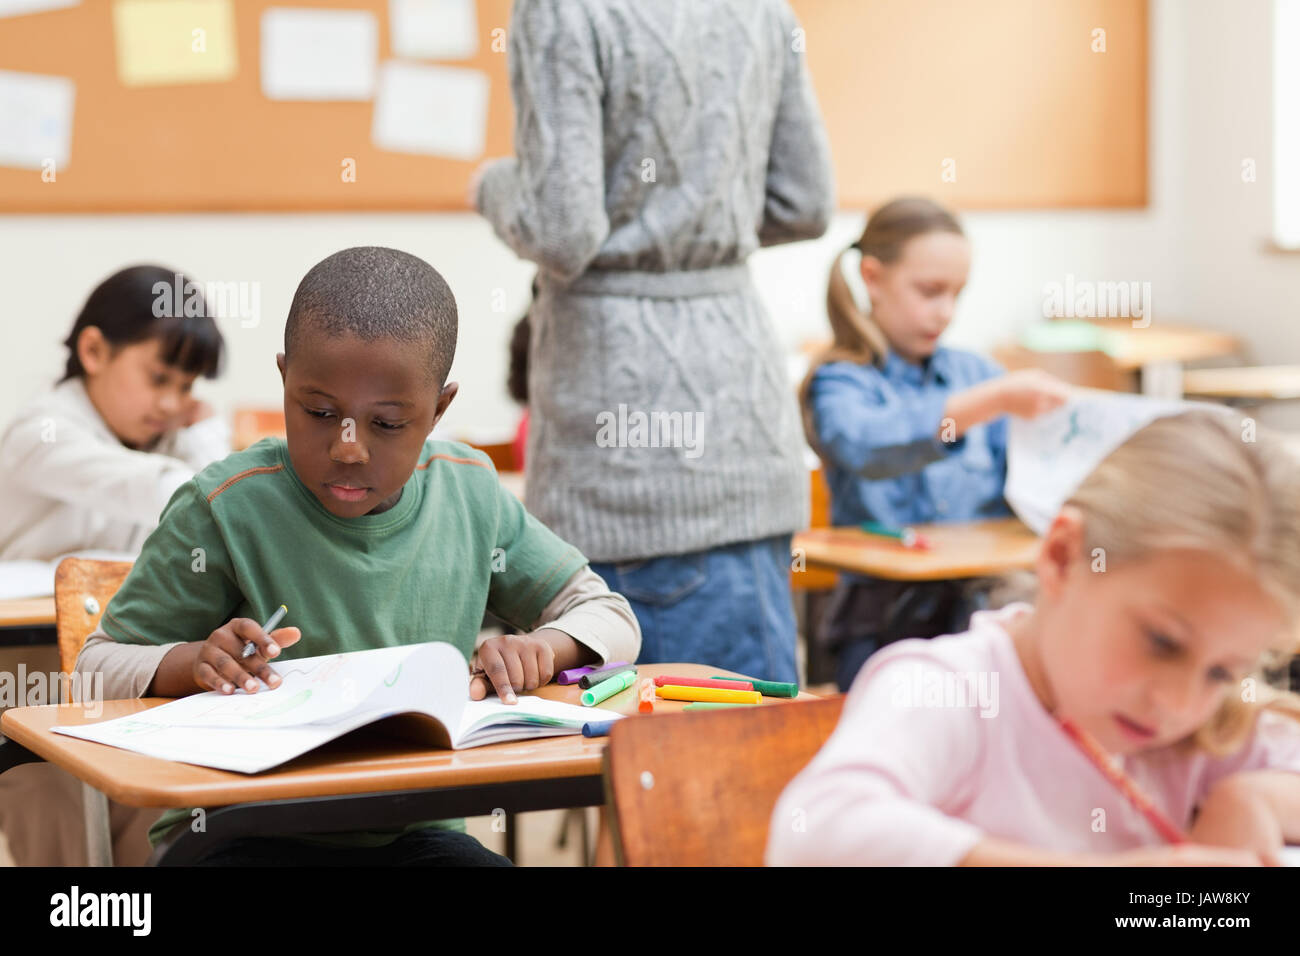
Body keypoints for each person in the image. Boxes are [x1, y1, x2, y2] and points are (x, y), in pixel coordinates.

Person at [72, 246, 641, 865]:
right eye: (318, 413)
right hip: (245, 833)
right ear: (285, 379)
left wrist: (544, 648)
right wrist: (191, 664)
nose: (347, 448)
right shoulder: (224, 507)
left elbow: (608, 613)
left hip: (414, 834)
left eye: (389, 424)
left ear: (438, 411)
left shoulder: (470, 492)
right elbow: (92, 671)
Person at [473, 0, 834, 683]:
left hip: (627, 465)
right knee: (739, 762)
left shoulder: (562, 11)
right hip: (744, 440)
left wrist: (491, 185)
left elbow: (561, 231)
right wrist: (696, 221)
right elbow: (805, 200)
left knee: (631, 762)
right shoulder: (760, 10)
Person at [768, 411, 1300, 865]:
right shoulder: (953, 690)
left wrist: (1251, 799)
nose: (1179, 703)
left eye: (1222, 671)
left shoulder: (1208, 729)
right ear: (1065, 555)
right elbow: (814, 832)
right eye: (1161, 642)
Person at [0, 264, 227, 867]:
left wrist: (197, 442)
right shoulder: (42, 432)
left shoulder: (153, 437)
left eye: (187, 387)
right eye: (158, 378)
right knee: (51, 788)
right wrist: (204, 442)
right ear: (94, 350)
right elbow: (190, 495)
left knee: (153, 790)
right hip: (23, 667)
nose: (172, 404)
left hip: (111, 655)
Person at [799, 198, 1069, 690]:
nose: (945, 312)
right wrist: (991, 401)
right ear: (872, 278)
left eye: (957, 294)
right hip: (882, 627)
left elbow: (1034, 481)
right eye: (929, 291)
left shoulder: (977, 374)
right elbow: (865, 444)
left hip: (981, 613)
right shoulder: (840, 381)